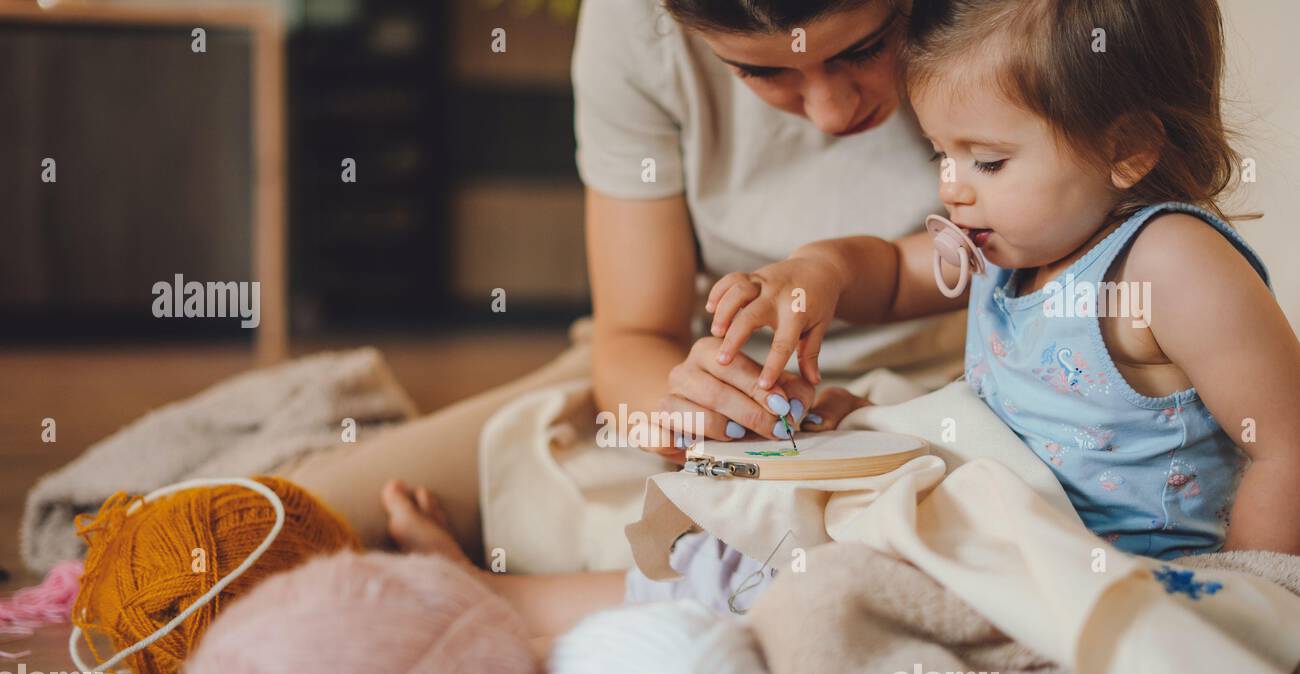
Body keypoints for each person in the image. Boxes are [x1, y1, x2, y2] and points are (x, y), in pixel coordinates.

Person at [284, 0, 959, 565]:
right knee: (290, 529)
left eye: (867, 47)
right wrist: (689, 416)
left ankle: (513, 603)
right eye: (760, 70)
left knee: (827, 562)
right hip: (695, 365)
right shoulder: (633, 21)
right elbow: (634, 336)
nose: (831, 113)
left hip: (971, 374)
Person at [709, 0, 1300, 558]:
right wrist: (818, 269)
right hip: (1011, 543)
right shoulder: (1002, 248)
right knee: (754, 534)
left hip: (1138, 578)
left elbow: (1286, 447)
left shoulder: (1168, 263)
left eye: (987, 161)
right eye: (940, 153)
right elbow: (889, 277)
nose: (951, 188)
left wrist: (1250, 596)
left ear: (1127, 148)